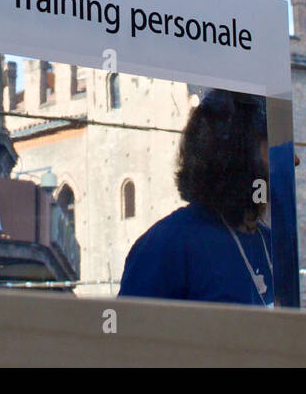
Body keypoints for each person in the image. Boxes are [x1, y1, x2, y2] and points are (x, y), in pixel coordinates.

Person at [118, 89, 275, 306]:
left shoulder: (272, 243)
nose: (294, 160)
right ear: (239, 154)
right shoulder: (166, 246)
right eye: (274, 146)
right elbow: (129, 336)